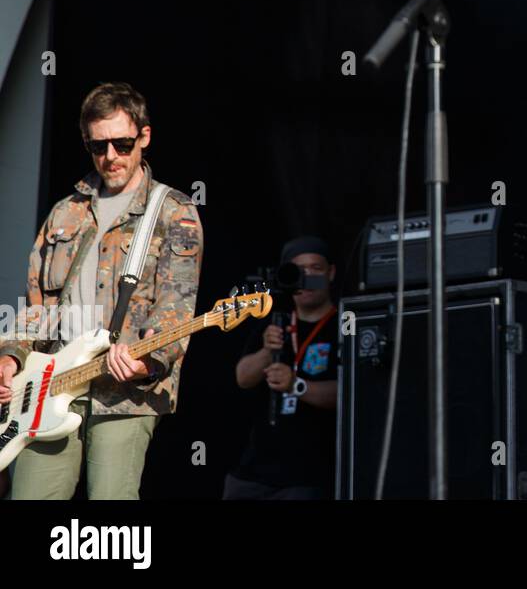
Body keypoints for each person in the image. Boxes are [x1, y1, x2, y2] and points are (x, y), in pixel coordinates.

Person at [0, 82, 202, 499]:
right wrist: (11, 356)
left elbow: (175, 311)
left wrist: (149, 362)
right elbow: (38, 303)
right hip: (50, 387)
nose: (110, 156)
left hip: (125, 395)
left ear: (144, 137)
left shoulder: (174, 211)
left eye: (122, 144)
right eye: (99, 146)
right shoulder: (65, 211)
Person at [224, 236, 338, 499]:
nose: (306, 277)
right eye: (298, 271)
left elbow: (351, 393)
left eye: (315, 269)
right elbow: (242, 377)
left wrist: (296, 385)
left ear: (330, 273)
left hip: (311, 473)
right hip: (255, 471)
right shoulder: (273, 323)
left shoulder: (344, 322)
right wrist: (267, 352)